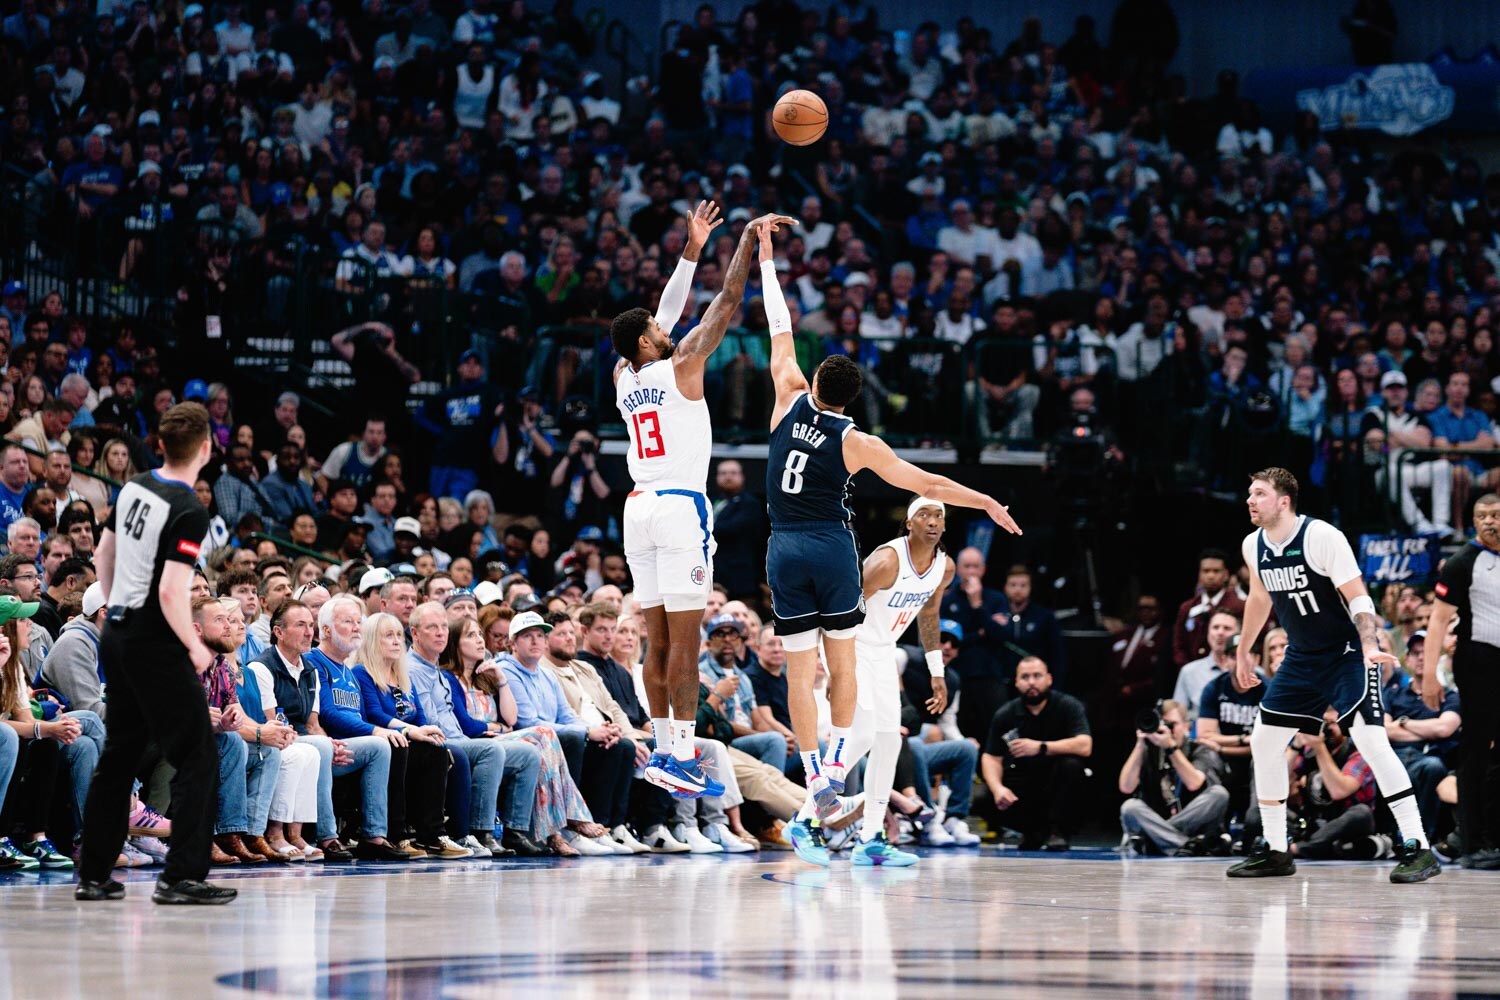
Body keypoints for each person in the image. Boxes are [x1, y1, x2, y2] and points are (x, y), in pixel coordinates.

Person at [758, 219, 1021, 865]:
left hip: (781, 543)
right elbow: (927, 478)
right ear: (856, 399)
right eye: (927, 516)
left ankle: (860, 822)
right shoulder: (862, 449)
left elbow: (779, 329)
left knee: (861, 717)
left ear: (815, 383)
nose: (933, 519)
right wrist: (984, 496)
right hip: (826, 547)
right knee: (845, 685)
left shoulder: (788, 400)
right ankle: (820, 797)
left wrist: (765, 255)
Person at [609, 201, 778, 800]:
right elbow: (725, 303)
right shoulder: (681, 365)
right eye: (658, 330)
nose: (668, 327)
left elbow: (661, 314)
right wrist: (748, 247)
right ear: (647, 342)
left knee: (657, 641)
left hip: (638, 507)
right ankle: (679, 751)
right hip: (680, 507)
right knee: (686, 642)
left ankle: (662, 750)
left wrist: (692, 247)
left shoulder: (625, 375)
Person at [1226, 467, 1439, 883]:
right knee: (1264, 741)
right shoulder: (1254, 545)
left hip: (1346, 654)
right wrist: (1243, 649)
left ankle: (1418, 846)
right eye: (1249, 494)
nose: (1249, 501)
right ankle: (1274, 850)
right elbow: (1258, 596)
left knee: (1371, 741)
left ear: (1283, 501)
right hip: (1302, 657)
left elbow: (1358, 596)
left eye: (1258, 494)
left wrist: (1369, 643)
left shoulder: (1321, 536)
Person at [76, 402, 237, 904]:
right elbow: (172, 592)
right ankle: (182, 876)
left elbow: (104, 555)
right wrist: (196, 647)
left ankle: (95, 873)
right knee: (198, 752)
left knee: (119, 754)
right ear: (206, 448)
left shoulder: (134, 486)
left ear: (161, 444)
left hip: (119, 628)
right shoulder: (190, 509)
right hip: (154, 636)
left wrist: (117, 605)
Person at [811, 495, 955, 869]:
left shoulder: (945, 567)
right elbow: (841, 609)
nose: (932, 520)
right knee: (860, 735)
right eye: (923, 514)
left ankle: (871, 839)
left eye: (938, 514)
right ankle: (806, 819)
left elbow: (929, 616)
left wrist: (936, 671)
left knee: (890, 740)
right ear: (909, 523)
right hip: (852, 645)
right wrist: (833, 668)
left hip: (883, 652)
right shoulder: (887, 560)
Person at [1423, 493, 1500, 867]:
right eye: (1481, 516)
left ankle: (1486, 834)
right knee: (1475, 750)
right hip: (1477, 659)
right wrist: (1429, 676)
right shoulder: (1461, 562)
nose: (1488, 521)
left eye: (1496, 514)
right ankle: (1472, 843)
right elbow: (1438, 621)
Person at [979, 656, 1092, 851]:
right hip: (1024, 782)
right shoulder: (1005, 714)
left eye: (1037, 676)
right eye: (1025, 677)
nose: (1031, 682)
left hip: (1058, 783)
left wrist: (1041, 747)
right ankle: (1033, 831)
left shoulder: (1068, 706)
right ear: (1016, 682)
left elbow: (1085, 745)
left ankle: (1058, 831)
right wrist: (998, 789)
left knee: (1071, 767)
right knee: (984, 798)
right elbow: (991, 756)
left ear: (1049, 679)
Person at [1118, 699, 1231, 856]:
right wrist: (1140, 745)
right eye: (1163, 724)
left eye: (1172, 725)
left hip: (1193, 822)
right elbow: (1126, 787)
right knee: (1130, 807)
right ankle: (1183, 844)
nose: (1167, 730)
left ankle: (1157, 840)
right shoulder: (1148, 750)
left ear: (1187, 725)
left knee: (1219, 794)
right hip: (1161, 818)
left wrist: (1170, 748)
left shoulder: (1200, 750)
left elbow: (1194, 783)